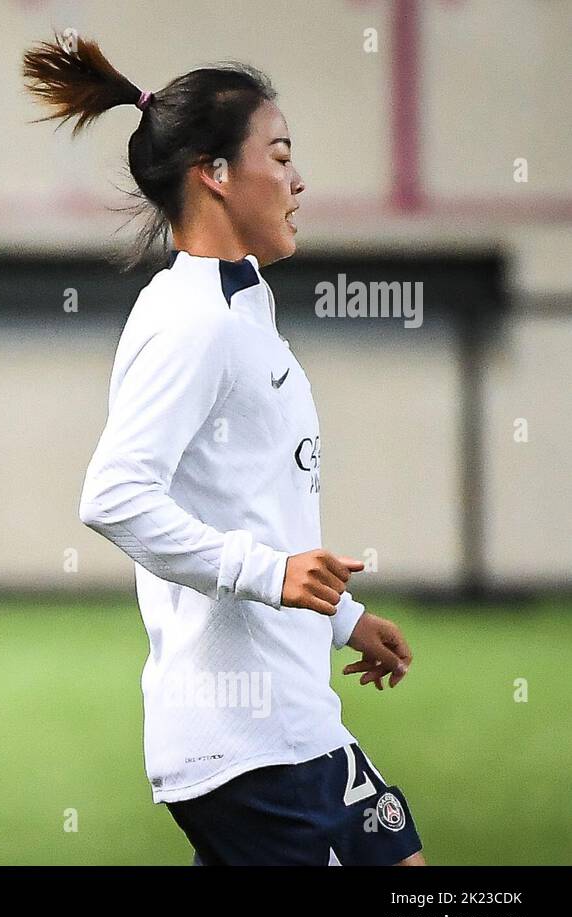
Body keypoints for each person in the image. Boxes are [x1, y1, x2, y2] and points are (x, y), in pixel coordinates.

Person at [23, 34, 423, 865]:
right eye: (279, 155)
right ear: (214, 172)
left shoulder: (244, 306)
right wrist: (269, 574)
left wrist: (344, 619)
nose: (298, 179)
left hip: (292, 722)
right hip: (247, 748)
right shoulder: (190, 322)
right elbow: (114, 497)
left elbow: (245, 499)